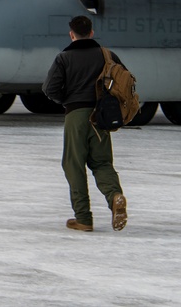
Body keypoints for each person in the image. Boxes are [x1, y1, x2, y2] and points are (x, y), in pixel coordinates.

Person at [43, 15, 128, 232]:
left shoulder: (63, 58)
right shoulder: (107, 55)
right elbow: (124, 80)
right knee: (102, 163)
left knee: (74, 165)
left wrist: (67, 100)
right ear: (91, 32)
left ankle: (83, 218)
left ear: (72, 34)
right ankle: (115, 196)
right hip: (100, 117)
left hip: (76, 116)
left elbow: (49, 89)